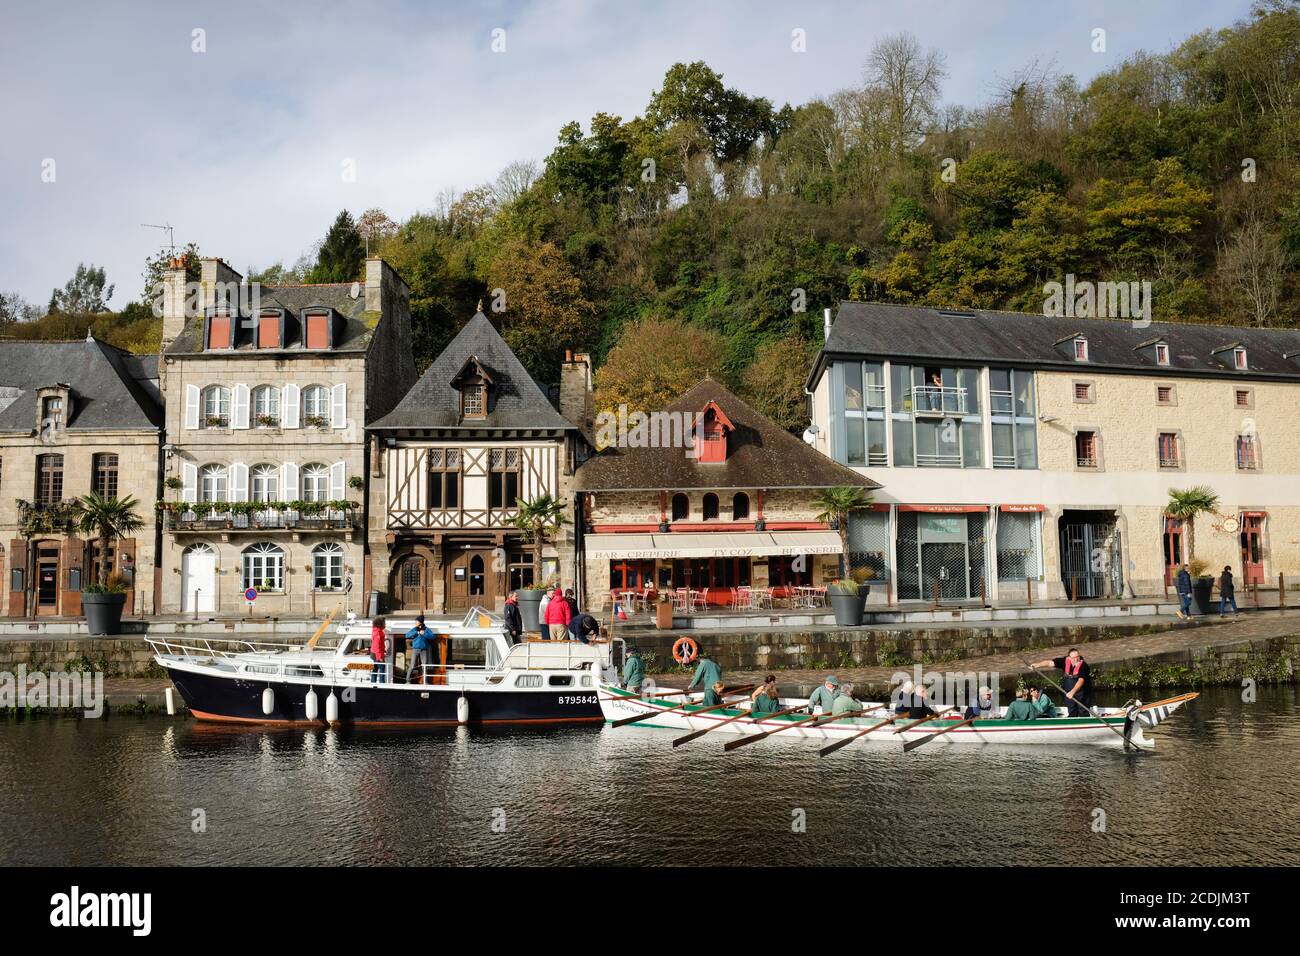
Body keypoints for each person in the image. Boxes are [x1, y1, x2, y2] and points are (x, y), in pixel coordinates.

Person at [1031, 648, 1094, 717]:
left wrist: (1072, 692)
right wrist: (1037, 665)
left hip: (1082, 694)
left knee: (1083, 712)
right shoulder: (1064, 661)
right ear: (1069, 658)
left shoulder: (1084, 666)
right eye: (1073, 658)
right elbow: (1049, 663)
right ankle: (1072, 724)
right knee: (1072, 711)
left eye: (1077, 657)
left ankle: (1084, 724)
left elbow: (1081, 681)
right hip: (1068, 693)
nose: (1076, 659)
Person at [405, 615, 433, 684]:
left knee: (424, 666)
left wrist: (425, 633)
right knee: (412, 665)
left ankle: (425, 682)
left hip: (424, 650)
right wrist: (416, 632)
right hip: (415, 649)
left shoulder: (426, 629)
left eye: (416, 621)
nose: (415, 622)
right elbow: (407, 635)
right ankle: (407, 681)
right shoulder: (414, 629)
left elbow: (432, 636)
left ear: (420, 622)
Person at [369, 616, 388, 684]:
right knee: (382, 668)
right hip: (377, 654)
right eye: (384, 623)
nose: (385, 624)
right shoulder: (378, 633)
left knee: (375, 668)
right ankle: (382, 683)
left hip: (374, 653)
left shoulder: (376, 630)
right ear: (380, 624)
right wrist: (380, 657)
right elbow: (377, 646)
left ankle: (373, 682)